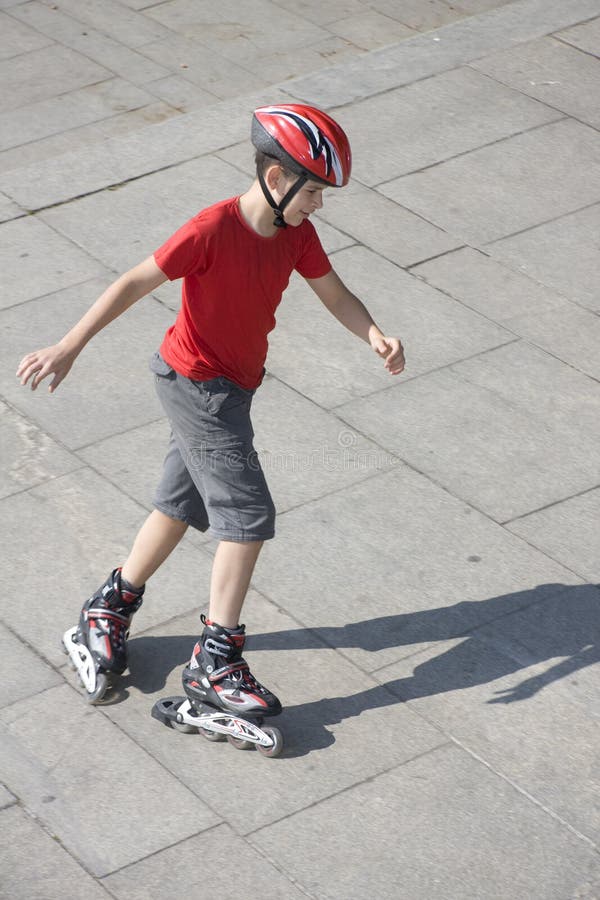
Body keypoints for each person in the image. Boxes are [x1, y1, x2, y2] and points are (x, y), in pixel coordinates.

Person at [16, 104, 405, 715]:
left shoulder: (296, 232)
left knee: (179, 504)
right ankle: (215, 663)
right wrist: (68, 346)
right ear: (278, 180)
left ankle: (109, 605)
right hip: (195, 384)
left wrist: (374, 333)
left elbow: (334, 292)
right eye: (316, 192)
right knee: (247, 513)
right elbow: (133, 282)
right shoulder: (211, 229)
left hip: (235, 388)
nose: (320, 206)